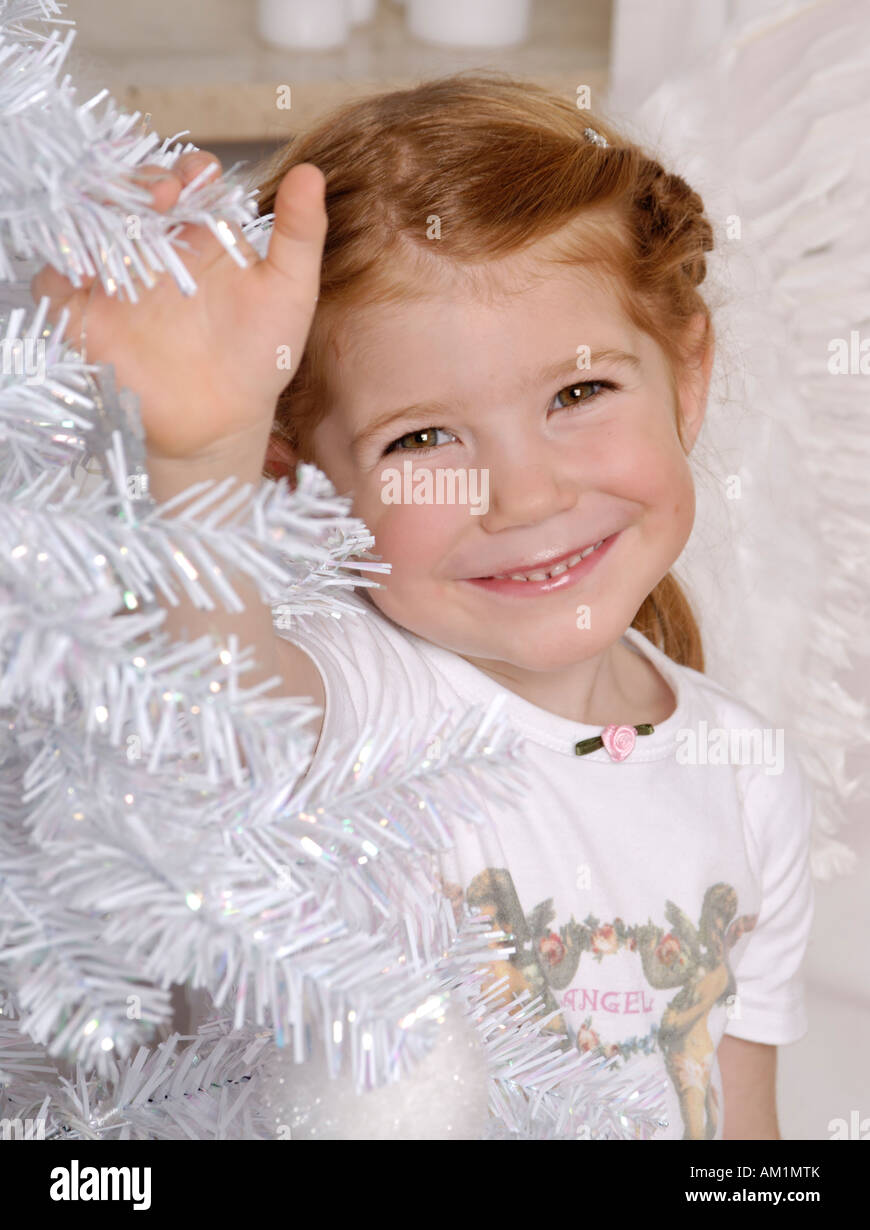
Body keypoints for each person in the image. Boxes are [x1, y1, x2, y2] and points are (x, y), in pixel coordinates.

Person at [33, 71, 814, 1141]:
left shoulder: (751, 776)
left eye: (578, 394)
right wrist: (200, 453)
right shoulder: (364, 702)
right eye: (422, 438)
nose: (525, 494)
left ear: (687, 373)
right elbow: (219, 724)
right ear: (295, 471)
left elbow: (741, 1137)